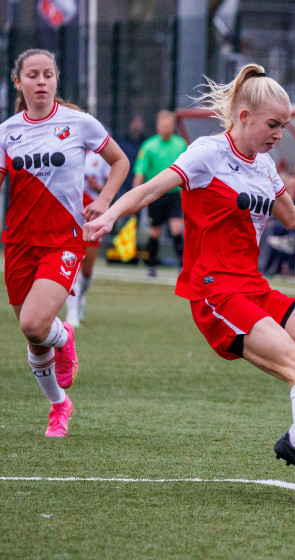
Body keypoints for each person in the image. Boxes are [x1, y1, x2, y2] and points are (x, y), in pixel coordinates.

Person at [84, 63, 295, 508]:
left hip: (255, 289)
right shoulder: (207, 153)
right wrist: (110, 213)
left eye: (284, 126)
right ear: (243, 116)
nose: (279, 134)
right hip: (215, 293)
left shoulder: (265, 165)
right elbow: (151, 190)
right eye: (273, 124)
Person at [0, 48, 129, 437]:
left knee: (35, 323)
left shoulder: (79, 123)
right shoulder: (7, 131)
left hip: (63, 240)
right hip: (19, 242)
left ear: (56, 80)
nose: (41, 81)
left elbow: (119, 161)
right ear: (18, 82)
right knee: (34, 336)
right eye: (33, 75)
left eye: (48, 74)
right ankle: (59, 405)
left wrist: (104, 202)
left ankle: (64, 335)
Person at [133, 110, 188, 276]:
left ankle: (183, 265)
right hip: (155, 194)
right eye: (164, 125)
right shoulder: (149, 146)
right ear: (158, 126)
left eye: (169, 125)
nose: (166, 128)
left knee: (177, 229)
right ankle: (151, 265)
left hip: (175, 194)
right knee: (155, 231)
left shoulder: (181, 144)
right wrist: (135, 196)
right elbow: (140, 172)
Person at [65, 150, 111, 327]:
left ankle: (81, 296)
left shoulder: (102, 155)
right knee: (72, 263)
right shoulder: (67, 150)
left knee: (87, 271)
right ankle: (72, 312)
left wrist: (97, 187)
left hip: (93, 214)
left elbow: (111, 185)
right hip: (70, 212)